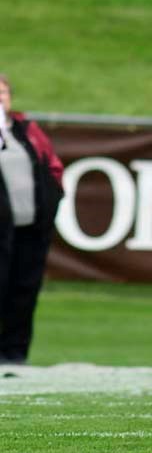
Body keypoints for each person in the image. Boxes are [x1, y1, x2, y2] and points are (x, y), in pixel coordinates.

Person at [0, 74, 64, 365]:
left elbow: (52, 165)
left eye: (3, 93)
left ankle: (14, 354)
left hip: (31, 226)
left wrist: (53, 197)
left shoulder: (28, 130)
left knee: (24, 291)